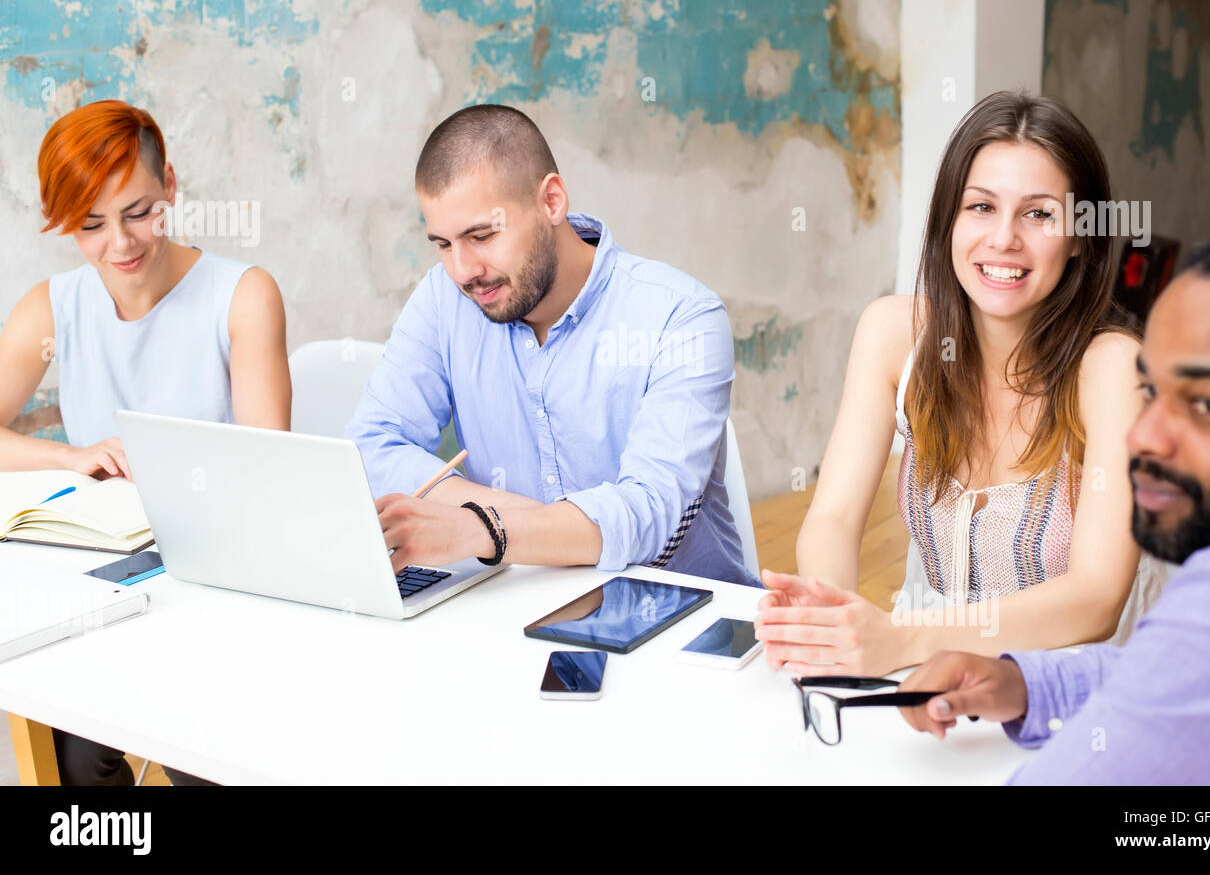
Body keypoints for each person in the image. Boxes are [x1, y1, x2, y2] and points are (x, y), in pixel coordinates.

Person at [756, 91, 1170, 676]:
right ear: (948, 218)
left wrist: (901, 639)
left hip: (1082, 689)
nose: (1004, 238)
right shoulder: (894, 333)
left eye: (1039, 213)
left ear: (1081, 237)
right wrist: (835, 619)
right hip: (929, 675)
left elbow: (1096, 600)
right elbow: (833, 519)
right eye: (980, 207)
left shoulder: (1113, 368)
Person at [898, 221, 1210, 784]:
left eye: (1209, 403)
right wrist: (1027, 685)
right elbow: (1169, 679)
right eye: (1153, 392)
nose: (1143, 437)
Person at [0, 99, 291, 784]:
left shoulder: (242, 297)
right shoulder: (54, 308)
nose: (121, 244)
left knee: (202, 757)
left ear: (171, 189)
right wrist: (70, 456)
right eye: (91, 225)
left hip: (220, 591)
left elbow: (268, 474)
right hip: (111, 591)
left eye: (138, 212)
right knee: (78, 754)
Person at [345, 104, 752, 586]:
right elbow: (370, 446)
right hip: (518, 604)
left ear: (552, 201)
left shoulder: (681, 317)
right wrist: (537, 528)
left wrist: (484, 528)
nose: (463, 271)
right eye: (444, 244)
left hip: (674, 618)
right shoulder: (443, 299)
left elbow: (648, 514)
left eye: (482, 235)